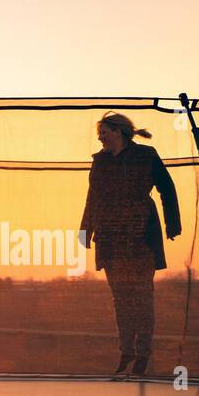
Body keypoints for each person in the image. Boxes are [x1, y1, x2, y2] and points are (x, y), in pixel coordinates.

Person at [79, 112, 181, 376]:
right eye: (99, 133)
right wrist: (83, 232)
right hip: (110, 238)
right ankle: (127, 351)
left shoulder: (145, 155)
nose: (100, 137)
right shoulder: (100, 162)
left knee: (142, 297)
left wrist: (173, 224)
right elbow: (93, 197)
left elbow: (167, 189)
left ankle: (143, 354)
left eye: (104, 132)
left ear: (120, 132)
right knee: (121, 299)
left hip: (140, 237)